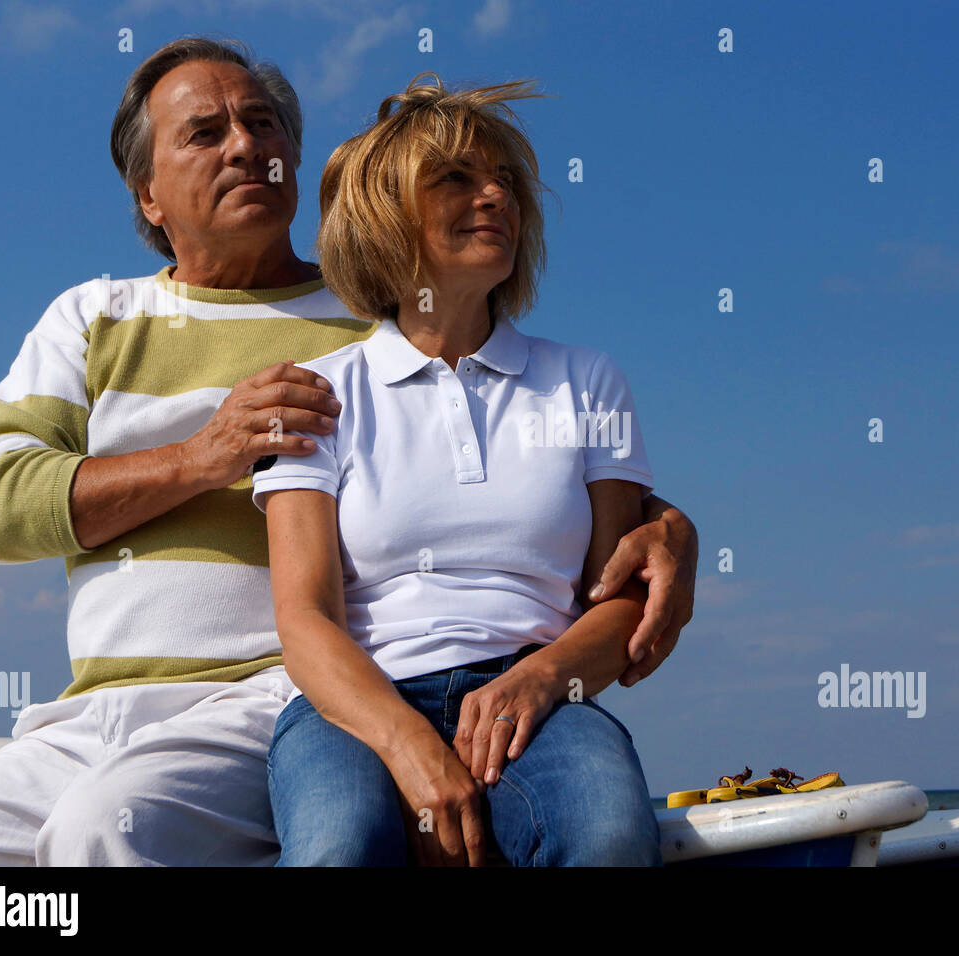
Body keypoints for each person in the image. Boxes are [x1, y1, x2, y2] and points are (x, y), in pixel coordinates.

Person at [0, 38, 695, 867]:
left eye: (262, 125)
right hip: (94, 712)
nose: (245, 146)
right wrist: (204, 455)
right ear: (148, 195)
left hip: (275, 695)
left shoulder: (381, 318)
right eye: (206, 133)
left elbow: (503, 434)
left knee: (104, 833)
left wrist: (669, 526)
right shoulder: (90, 318)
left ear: (295, 156)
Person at [251, 74, 665, 866]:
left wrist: (541, 682)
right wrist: (407, 742)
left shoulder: (589, 380)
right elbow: (303, 621)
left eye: (505, 180)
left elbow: (619, 601)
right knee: (341, 848)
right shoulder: (316, 394)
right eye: (457, 179)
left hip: (541, 702)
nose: (495, 196)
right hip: (359, 705)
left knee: (608, 835)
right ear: (386, 217)